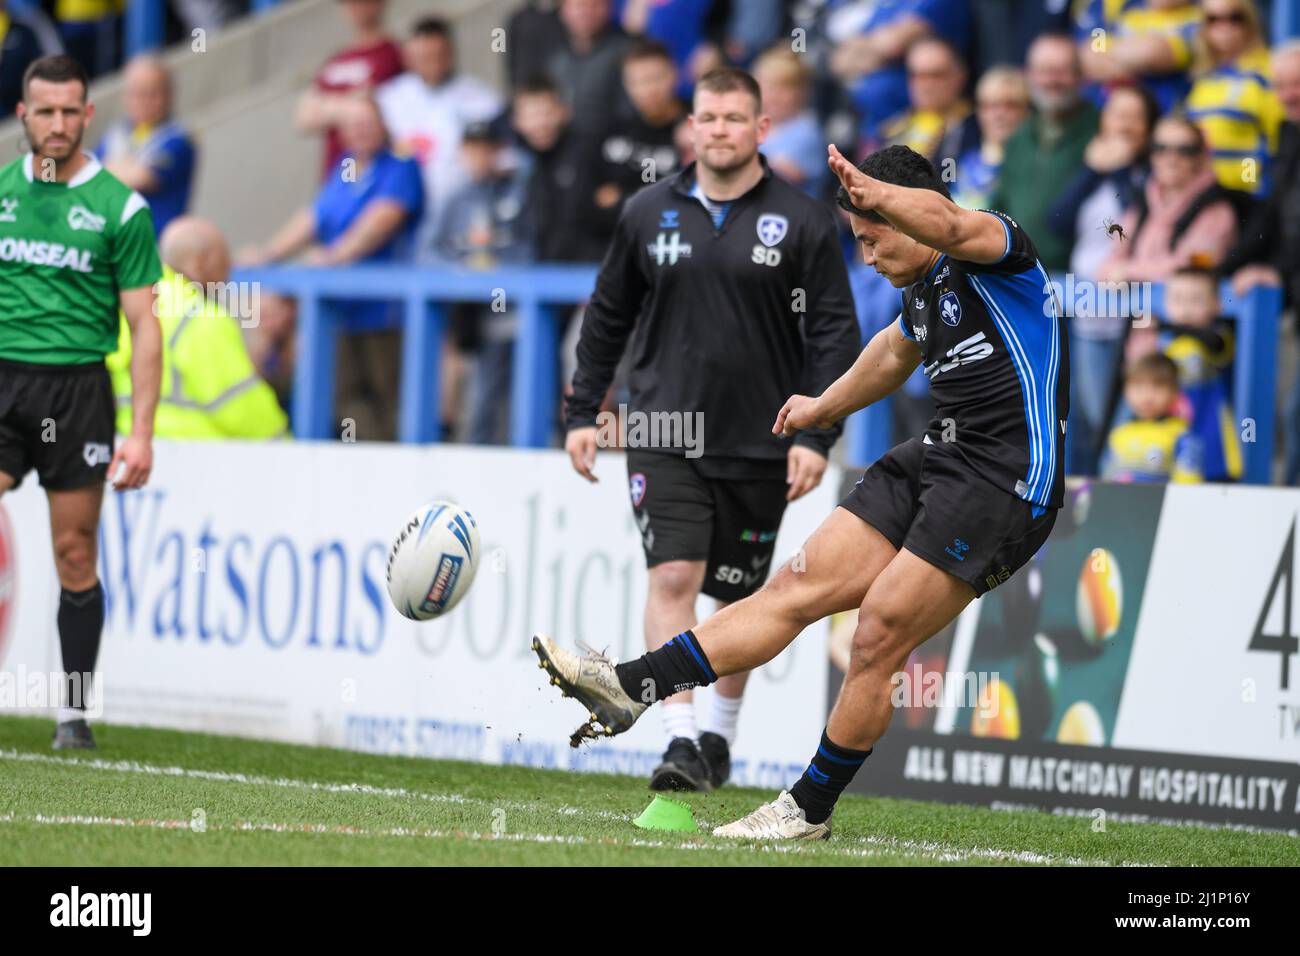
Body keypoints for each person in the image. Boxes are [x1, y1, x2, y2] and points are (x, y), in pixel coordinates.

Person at [537, 141, 1068, 839]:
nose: (868, 256)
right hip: (939, 456)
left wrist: (880, 200)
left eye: (872, 239)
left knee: (876, 634)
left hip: (1006, 481)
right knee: (793, 588)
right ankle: (629, 685)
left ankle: (805, 810)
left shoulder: (999, 250)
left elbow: (949, 223)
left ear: (906, 215)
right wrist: (825, 406)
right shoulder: (923, 287)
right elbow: (891, 350)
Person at [560, 67, 860, 793]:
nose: (719, 129)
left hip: (764, 436)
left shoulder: (805, 220)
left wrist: (816, 437)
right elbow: (606, 318)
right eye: (708, 117)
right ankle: (680, 741)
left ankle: (718, 743)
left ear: (761, 128)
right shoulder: (644, 213)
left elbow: (834, 337)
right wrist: (579, 413)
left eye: (734, 117)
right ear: (690, 127)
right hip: (662, 427)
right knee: (672, 574)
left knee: (740, 601)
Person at [0, 56, 162, 749]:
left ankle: (73, 715)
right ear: (23, 115)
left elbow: (145, 325)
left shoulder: (120, 209)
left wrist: (143, 433)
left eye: (71, 112)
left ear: (88, 115)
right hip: (5, 380)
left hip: (79, 392)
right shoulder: (1, 192)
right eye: (46, 112)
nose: (58, 125)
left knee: (74, 551)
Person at [239, 97, 423, 440]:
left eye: (367, 123)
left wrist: (337, 254)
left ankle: (394, 473)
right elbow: (316, 216)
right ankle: (370, 469)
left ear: (382, 123)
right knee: (345, 398)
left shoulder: (401, 164)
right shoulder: (346, 165)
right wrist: (269, 253)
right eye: (353, 125)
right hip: (341, 311)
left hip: (386, 312)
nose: (361, 131)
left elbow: (384, 218)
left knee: (389, 398)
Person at [107, 217, 288, 439]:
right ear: (202, 261)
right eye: (225, 259)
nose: (228, 272)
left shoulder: (130, 304)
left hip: (134, 454)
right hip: (199, 459)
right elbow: (242, 408)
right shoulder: (201, 318)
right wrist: (286, 446)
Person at [375, 16, 503, 259]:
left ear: (451, 53)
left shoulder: (481, 98)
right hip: (402, 216)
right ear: (409, 56)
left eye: (438, 55)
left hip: (460, 217)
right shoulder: (389, 99)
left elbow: (502, 158)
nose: (432, 63)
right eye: (424, 56)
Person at [988, 33, 1099, 272]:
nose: (1051, 80)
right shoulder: (1019, 136)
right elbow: (999, 207)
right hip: (1018, 275)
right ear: (1029, 76)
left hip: (1076, 282)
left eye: (1061, 71)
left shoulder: (1100, 129)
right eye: (1043, 71)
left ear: (1081, 76)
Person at [1098, 115, 1238, 283]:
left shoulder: (1217, 210)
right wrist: (1113, 271)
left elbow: (1192, 265)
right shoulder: (1142, 204)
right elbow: (1112, 260)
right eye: (1160, 148)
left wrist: (1129, 272)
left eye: (1185, 150)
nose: (1171, 158)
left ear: (1201, 156)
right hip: (1139, 307)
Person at [296, 0, 403, 181]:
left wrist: (328, 105)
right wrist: (348, 106)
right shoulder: (335, 59)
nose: (355, 7)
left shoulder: (392, 54)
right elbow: (304, 118)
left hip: (368, 167)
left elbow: (371, 109)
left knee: (355, 195)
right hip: (336, 172)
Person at [1184, 0, 1282, 196]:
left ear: (1250, 21)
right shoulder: (1202, 79)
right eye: (1213, 19)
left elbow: (1281, 140)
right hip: (1209, 197)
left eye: (1234, 17)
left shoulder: (1268, 71)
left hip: (1251, 197)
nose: (1224, 26)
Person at [93, 55, 197, 237]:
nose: (145, 101)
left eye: (153, 93)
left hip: (156, 246)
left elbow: (141, 178)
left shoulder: (179, 138)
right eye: (137, 93)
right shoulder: (115, 133)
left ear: (169, 94)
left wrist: (110, 168)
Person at [1101, 352, 1201, 482]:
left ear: (1175, 391)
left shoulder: (1181, 436)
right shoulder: (1118, 435)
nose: (1147, 397)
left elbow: (1188, 486)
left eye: (1158, 386)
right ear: (1125, 390)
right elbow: (1107, 482)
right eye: (1138, 386)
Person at [950, 66, 1030, 211]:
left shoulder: (1032, 163)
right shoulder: (962, 159)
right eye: (989, 105)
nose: (998, 114)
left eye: (1010, 105)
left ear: (1026, 110)